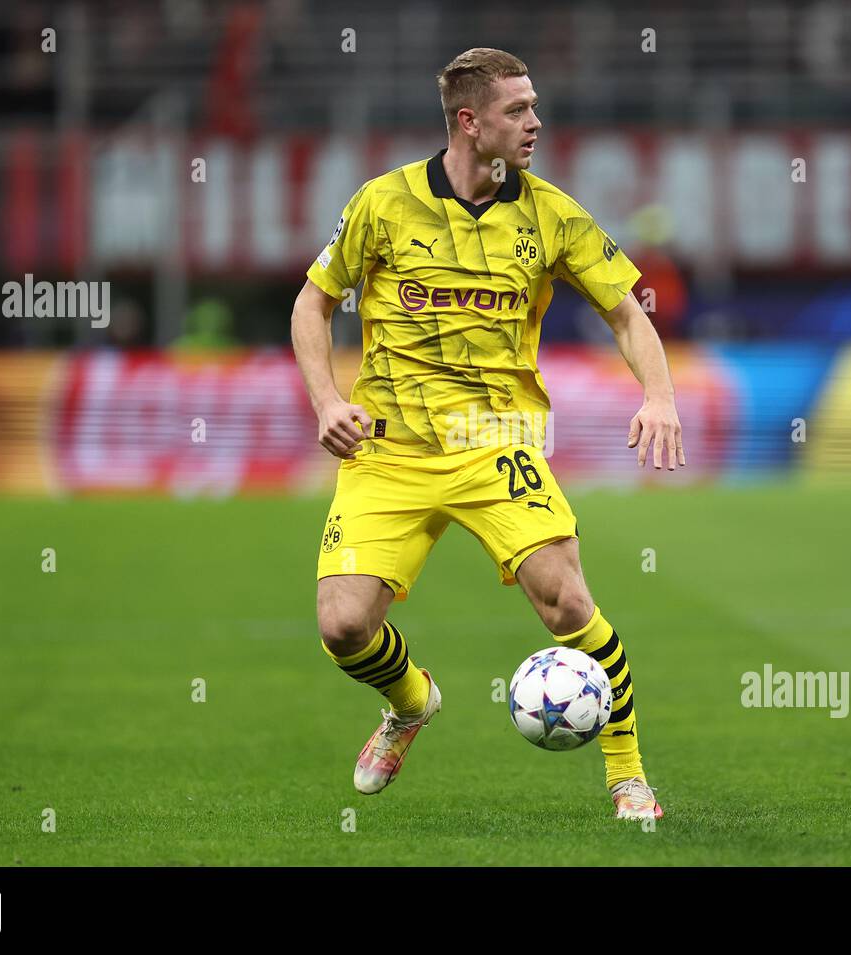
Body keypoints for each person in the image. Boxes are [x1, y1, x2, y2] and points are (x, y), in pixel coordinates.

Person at [290, 48, 684, 820]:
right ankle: (410, 702)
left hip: (497, 439)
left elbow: (626, 312)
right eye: (517, 110)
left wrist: (660, 395)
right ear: (469, 122)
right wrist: (326, 400)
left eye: (534, 107)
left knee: (567, 603)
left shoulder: (552, 214)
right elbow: (313, 302)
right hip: (390, 449)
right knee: (342, 627)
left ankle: (628, 774)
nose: (535, 123)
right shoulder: (382, 203)